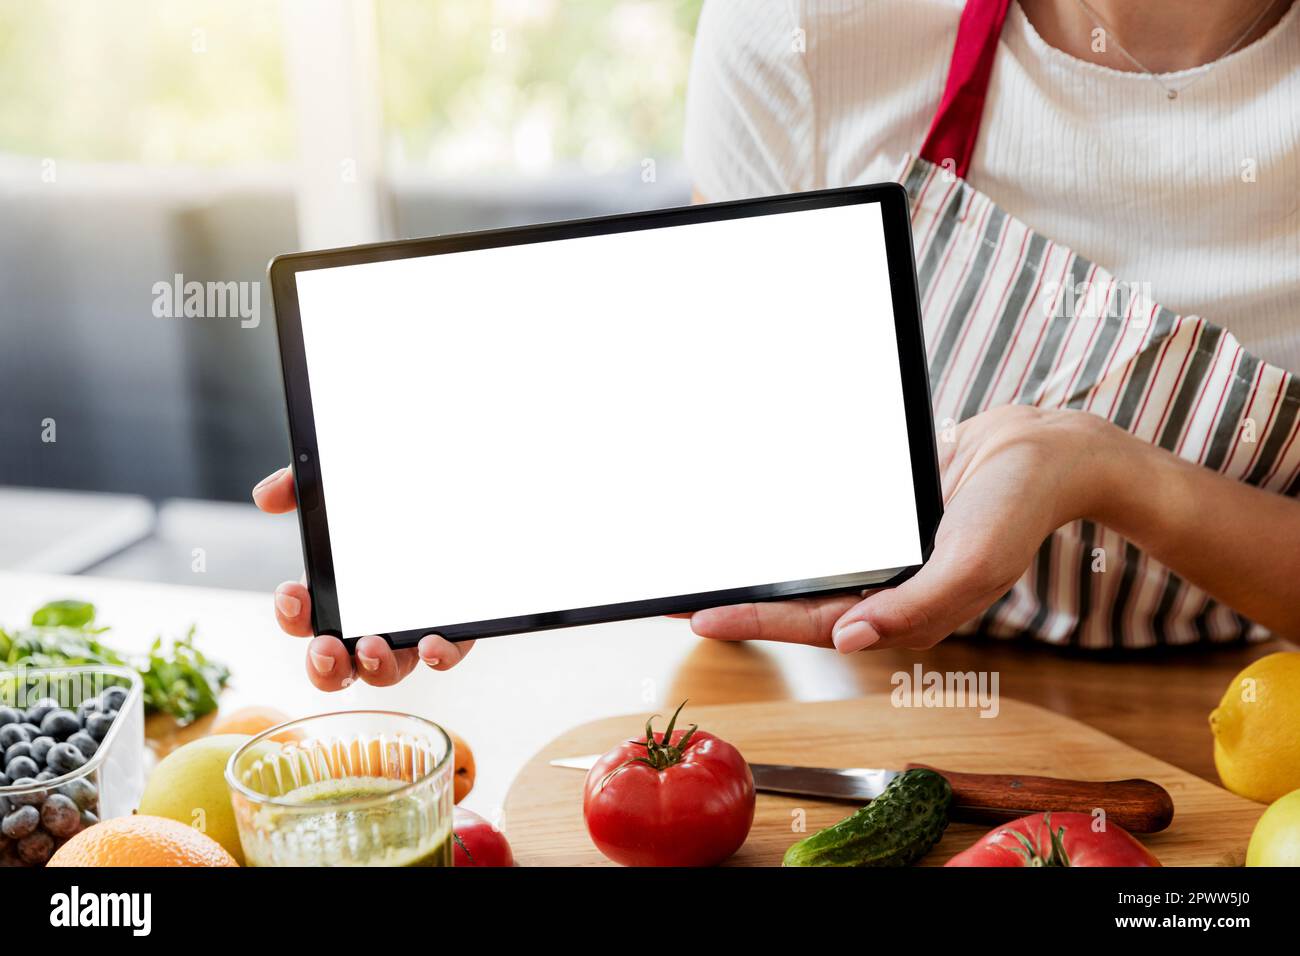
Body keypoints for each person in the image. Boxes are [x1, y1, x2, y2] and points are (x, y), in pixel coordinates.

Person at [253, 0, 1300, 691]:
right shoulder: (808, 26)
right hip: (868, 712)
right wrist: (502, 496)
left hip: (1258, 727)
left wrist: (1118, 476)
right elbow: (720, 428)